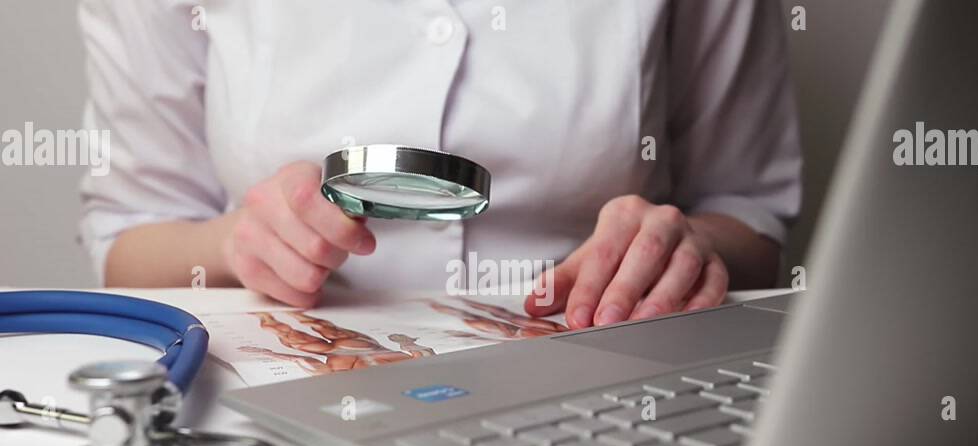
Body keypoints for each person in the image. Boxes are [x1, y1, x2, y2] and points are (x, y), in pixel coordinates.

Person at [78, 0, 801, 330]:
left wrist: (685, 249)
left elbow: (750, 217)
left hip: (595, 359)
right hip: (291, 363)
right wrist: (233, 244)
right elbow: (128, 238)